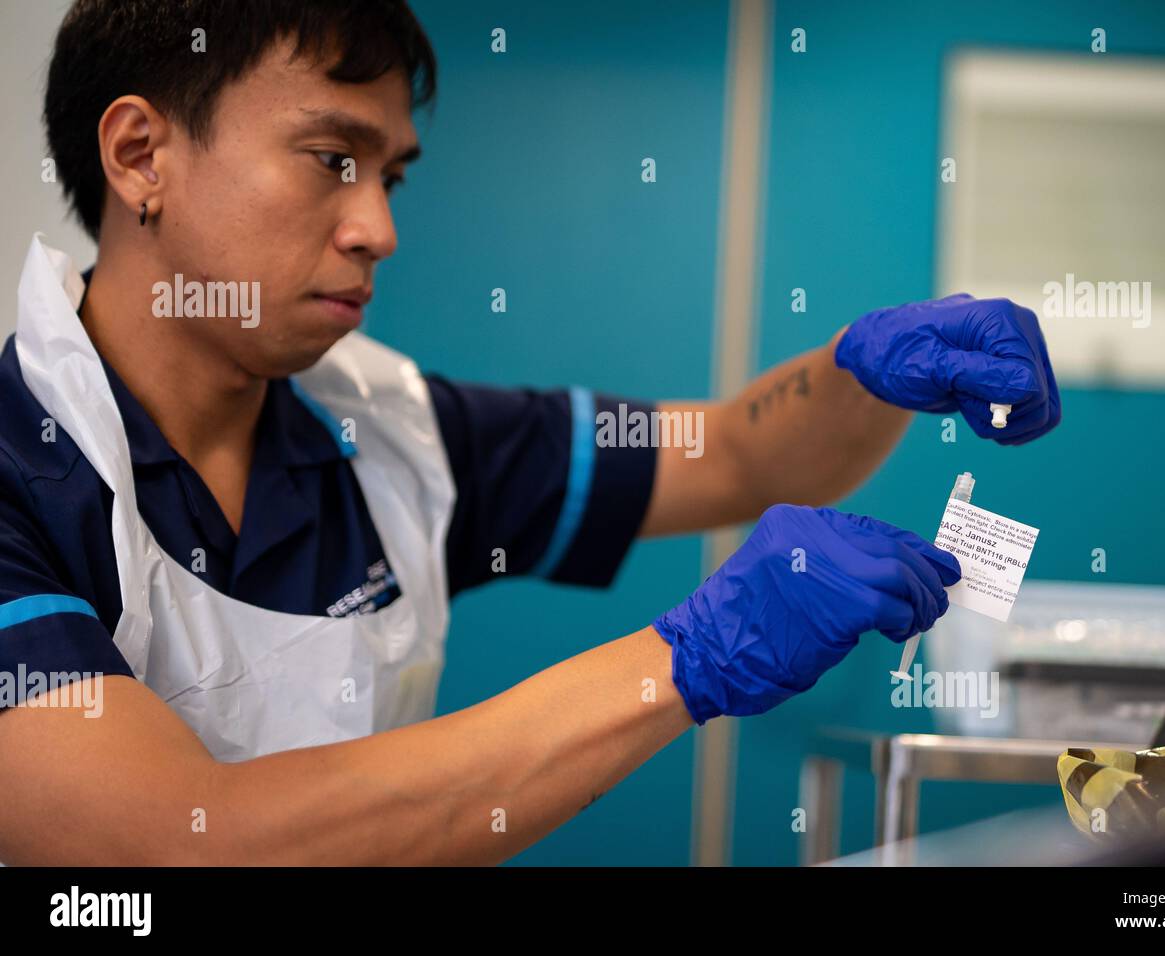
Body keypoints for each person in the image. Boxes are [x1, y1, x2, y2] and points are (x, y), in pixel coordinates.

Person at [0, 0, 1060, 864]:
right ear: (141, 154)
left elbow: (741, 452)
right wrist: (682, 660)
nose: (379, 227)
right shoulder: (19, 467)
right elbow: (175, 842)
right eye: (331, 158)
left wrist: (863, 370)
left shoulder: (390, 433)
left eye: (391, 175)